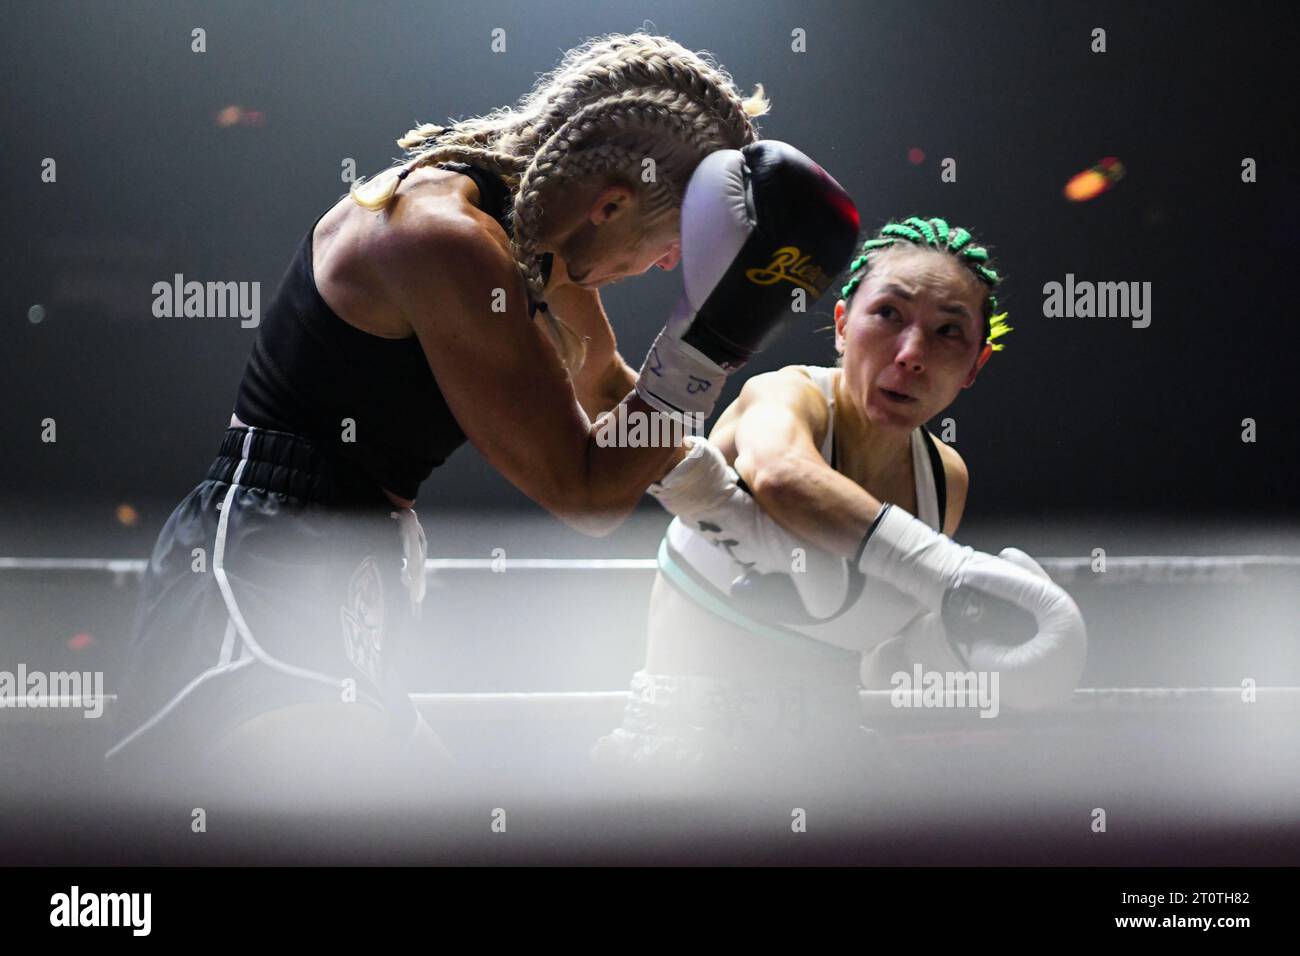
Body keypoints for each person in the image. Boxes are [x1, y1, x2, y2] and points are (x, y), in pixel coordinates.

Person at [103, 32, 860, 800]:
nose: (670, 265)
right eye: (672, 243)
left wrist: (731, 502)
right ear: (612, 203)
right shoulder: (447, 240)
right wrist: (707, 346)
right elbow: (586, 492)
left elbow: (605, 389)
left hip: (354, 564)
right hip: (270, 558)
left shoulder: (532, 232)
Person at [595, 216, 1086, 783]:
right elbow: (781, 474)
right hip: (684, 762)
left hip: (832, 769)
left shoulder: (943, 477)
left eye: (947, 331)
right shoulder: (787, 395)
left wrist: (959, 648)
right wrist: (950, 569)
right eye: (888, 314)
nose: (911, 353)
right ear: (841, 327)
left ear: (975, 366)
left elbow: (875, 654)